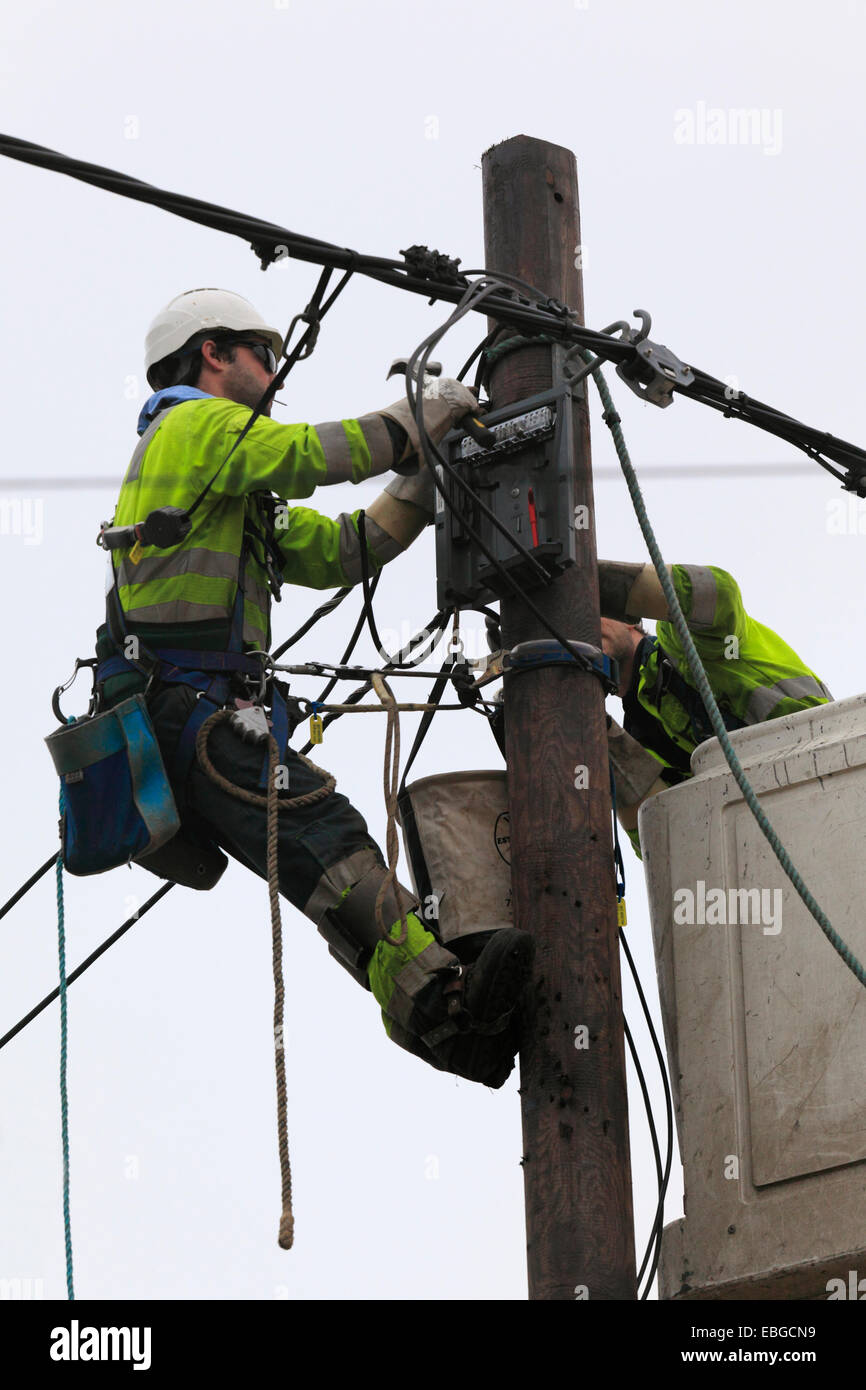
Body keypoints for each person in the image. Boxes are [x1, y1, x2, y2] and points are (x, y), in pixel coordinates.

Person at [95, 288, 534, 1087]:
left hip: (187, 720)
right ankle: (439, 1005)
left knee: (313, 851)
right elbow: (308, 455)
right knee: (322, 836)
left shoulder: (223, 476)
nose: (276, 368)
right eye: (263, 352)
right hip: (187, 713)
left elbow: (343, 550)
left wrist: (425, 476)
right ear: (213, 353)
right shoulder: (194, 426)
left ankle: (432, 996)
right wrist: (417, 417)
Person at [598, 560, 833, 853]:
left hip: (830, 770)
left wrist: (591, 581)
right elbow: (663, 843)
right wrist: (595, 731)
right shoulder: (633, 742)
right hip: (786, 842)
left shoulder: (681, 640)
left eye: (595, 613)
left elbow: (720, 593)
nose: (585, 628)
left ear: (630, 619)